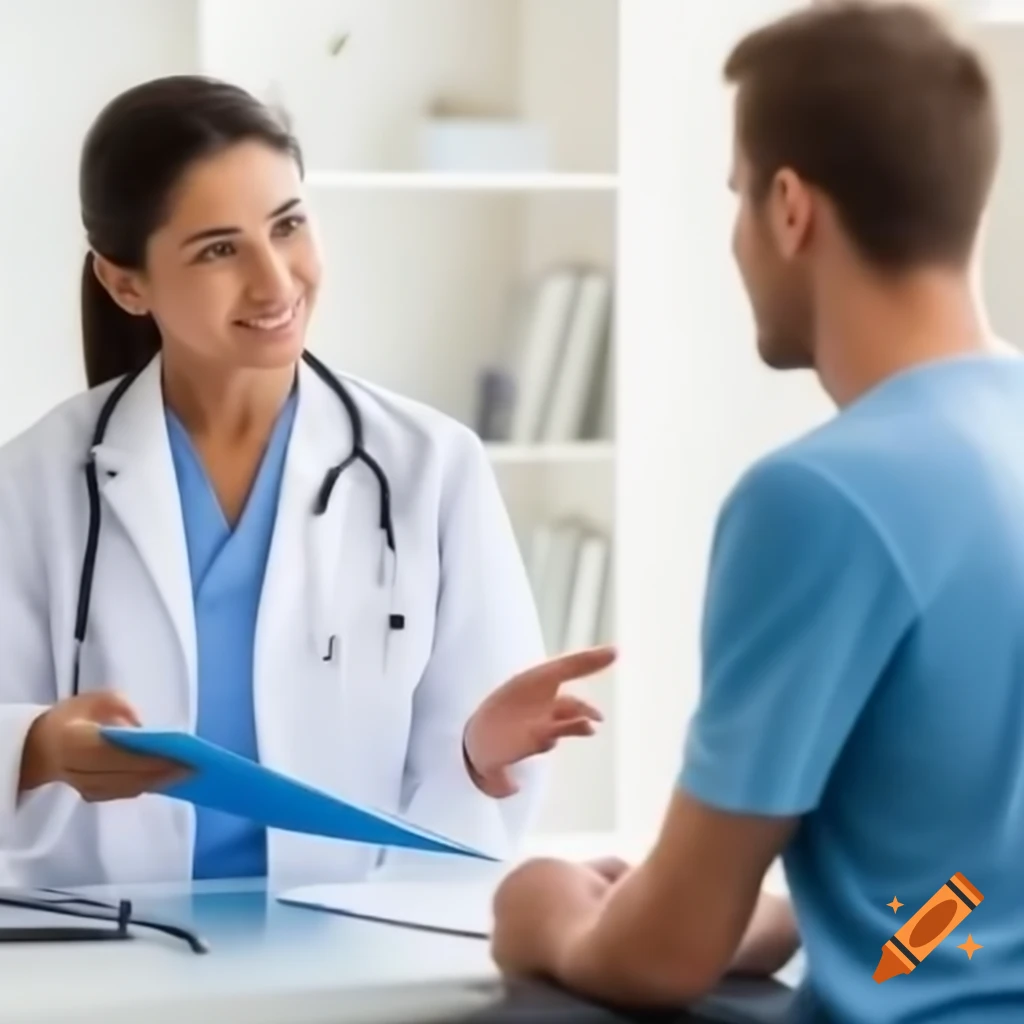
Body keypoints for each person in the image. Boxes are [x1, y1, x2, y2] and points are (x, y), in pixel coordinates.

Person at [490, 4, 1024, 1023]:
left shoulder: (821, 498)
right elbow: (972, 904)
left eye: (736, 197)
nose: (737, 239)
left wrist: (545, 908)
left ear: (789, 208)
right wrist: (819, 916)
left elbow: (658, 956)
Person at [0, 74, 614, 890]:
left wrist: (478, 757)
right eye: (219, 248)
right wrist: (36, 748)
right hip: (109, 952)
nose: (275, 280)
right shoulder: (33, 483)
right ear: (126, 282)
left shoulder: (432, 468)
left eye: (287, 225)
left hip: (353, 942)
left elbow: (470, 804)